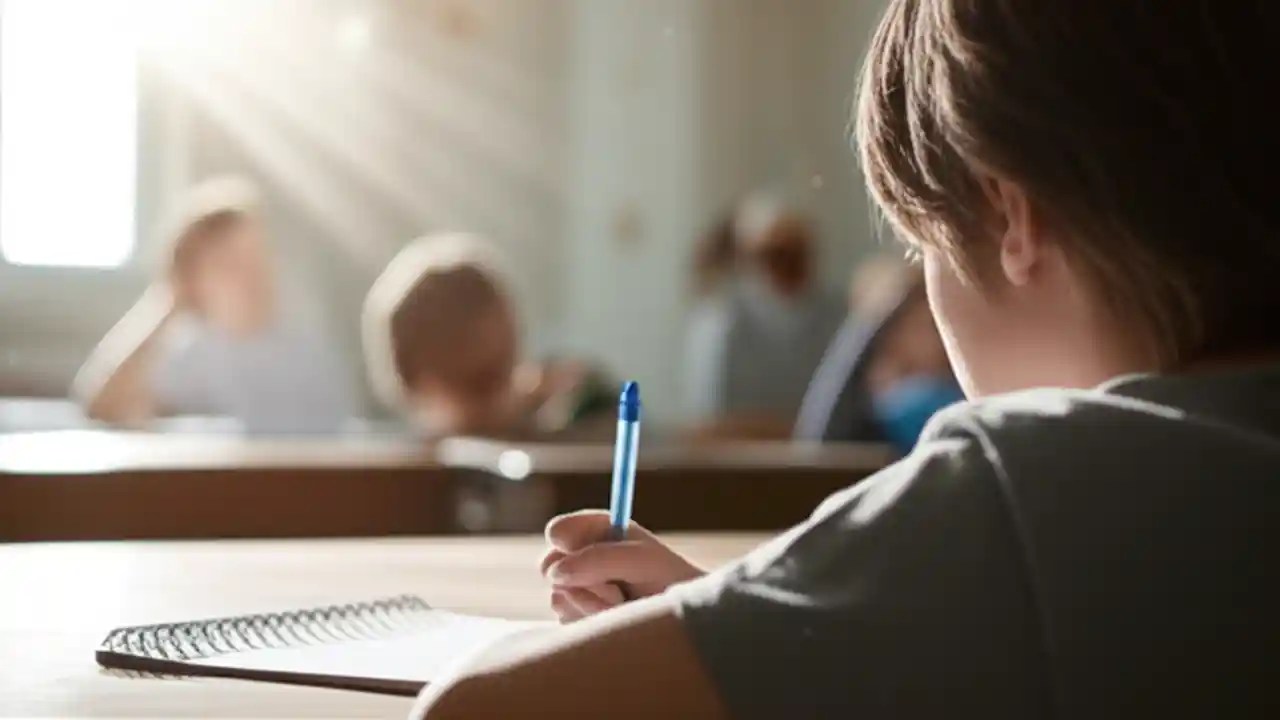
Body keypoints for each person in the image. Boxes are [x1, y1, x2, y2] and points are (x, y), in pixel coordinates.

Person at [411, 0, 1279, 716]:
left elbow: (472, 711)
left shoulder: (1025, 491)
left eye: (923, 245)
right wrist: (743, 624)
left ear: (1013, 217)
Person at [73, 176, 354, 435]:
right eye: (231, 265)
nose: (252, 276)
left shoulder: (309, 352)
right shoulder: (188, 355)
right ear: (192, 281)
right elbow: (100, 407)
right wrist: (169, 305)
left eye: (257, 258)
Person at [363, 233, 614, 439]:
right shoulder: (398, 472)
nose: (486, 411)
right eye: (474, 385)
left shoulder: (580, 408)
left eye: (490, 379)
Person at [684, 195, 844, 438]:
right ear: (748, 256)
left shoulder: (837, 318)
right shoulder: (721, 325)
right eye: (774, 254)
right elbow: (713, 422)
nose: (786, 265)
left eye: (796, 252)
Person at [795, 254, 962, 452]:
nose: (944, 337)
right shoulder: (908, 404)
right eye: (930, 326)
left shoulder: (943, 391)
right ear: (894, 331)